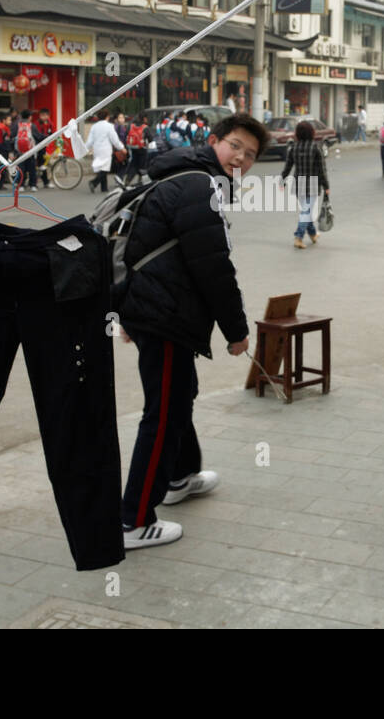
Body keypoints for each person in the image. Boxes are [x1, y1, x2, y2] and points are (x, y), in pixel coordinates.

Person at [113, 113, 269, 548]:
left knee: (179, 396)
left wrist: (127, 311)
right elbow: (213, 266)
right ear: (214, 141)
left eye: (251, 155)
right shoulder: (200, 186)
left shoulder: (186, 176)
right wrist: (235, 330)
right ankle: (134, 520)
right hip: (163, 314)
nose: (241, 157)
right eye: (235, 145)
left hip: (159, 311)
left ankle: (180, 477)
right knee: (162, 412)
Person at [281, 119, 329, 248]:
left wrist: (282, 180)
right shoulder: (316, 148)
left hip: (298, 183)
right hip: (312, 183)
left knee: (305, 210)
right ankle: (298, 237)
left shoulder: (293, 148)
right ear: (311, 133)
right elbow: (322, 169)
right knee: (306, 212)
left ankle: (313, 234)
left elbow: (288, 167)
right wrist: (326, 186)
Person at [85, 111, 124, 193]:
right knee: (105, 169)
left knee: (101, 168)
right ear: (107, 117)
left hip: (96, 150)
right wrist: (122, 148)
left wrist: (85, 149)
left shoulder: (94, 126)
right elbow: (115, 140)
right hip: (106, 150)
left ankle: (104, 188)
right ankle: (94, 182)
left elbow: (90, 141)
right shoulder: (109, 126)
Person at [13, 110, 39, 191]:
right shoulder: (32, 125)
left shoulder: (16, 125)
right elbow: (37, 136)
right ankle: (33, 185)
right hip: (30, 151)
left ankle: (21, 185)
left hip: (20, 151)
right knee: (32, 169)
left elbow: (12, 135)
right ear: (29, 117)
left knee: (21, 169)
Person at [125, 112, 148, 180]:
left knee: (134, 165)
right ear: (144, 118)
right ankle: (140, 182)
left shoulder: (131, 125)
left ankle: (128, 180)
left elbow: (127, 134)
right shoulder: (145, 127)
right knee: (142, 166)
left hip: (133, 147)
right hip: (142, 149)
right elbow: (150, 138)